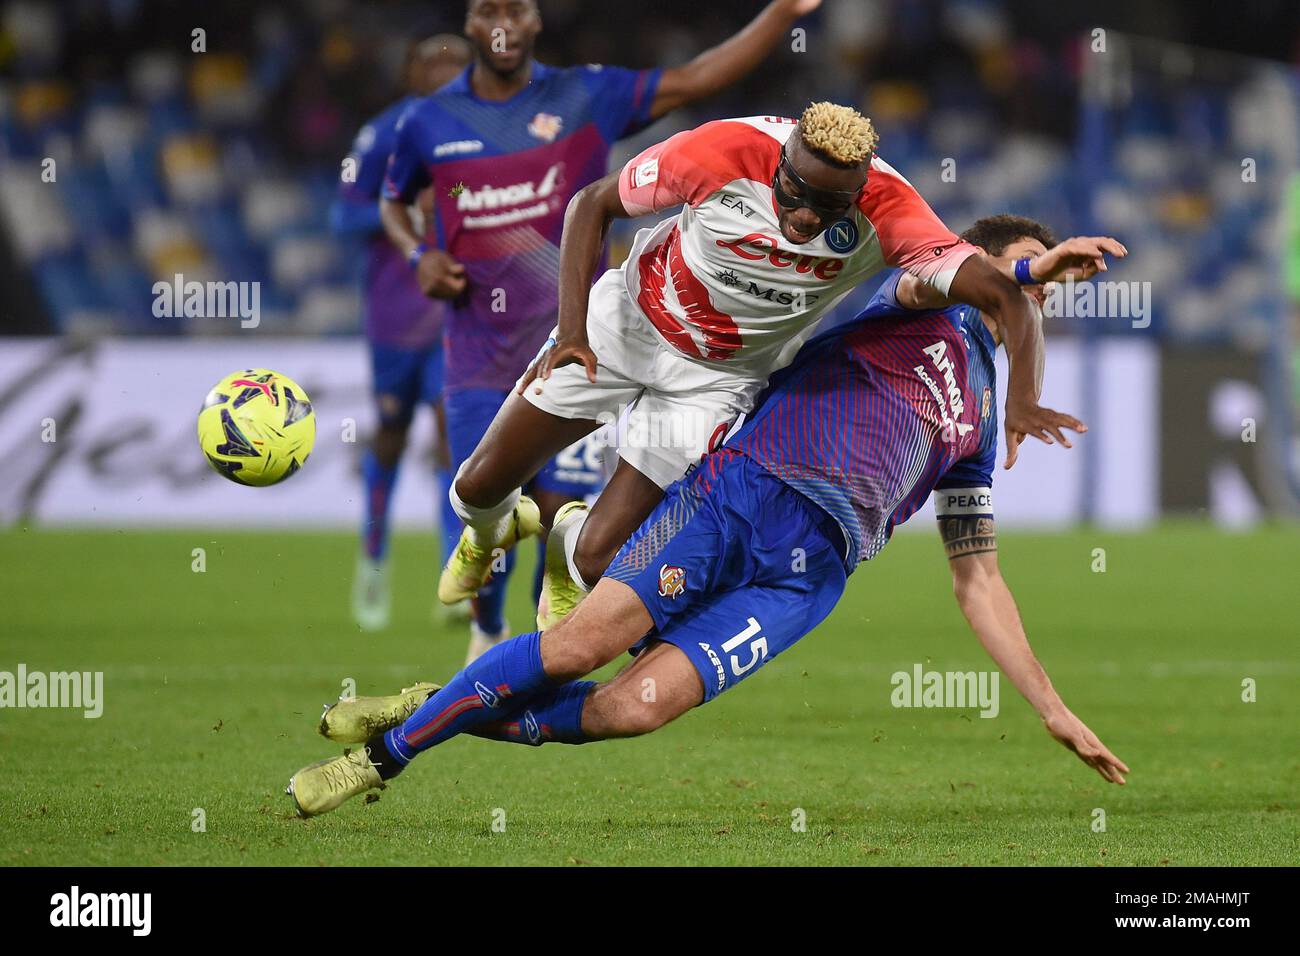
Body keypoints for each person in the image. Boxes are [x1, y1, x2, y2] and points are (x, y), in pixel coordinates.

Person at [287, 215, 1130, 817]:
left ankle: (442, 704)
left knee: (633, 709)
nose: (1045, 281)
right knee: (584, 645)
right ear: (980, 263)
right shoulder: (917, 302)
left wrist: (1051, 707)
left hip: (812, 578)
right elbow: (950, 273)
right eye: (1030, 263)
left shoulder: (982, 422)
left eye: (1051, 273)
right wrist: (1029, 270)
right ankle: (378, 760)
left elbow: (977, 578)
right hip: (742, 491)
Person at [441, 102, 1082, 635]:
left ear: (859, 194)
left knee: (594, 562)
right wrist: (573, 331)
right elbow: (591, 204)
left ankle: (564, 541)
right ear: (780, 164)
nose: (805, 220)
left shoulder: (892, 212)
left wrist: (1021, 398)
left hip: (714, 384)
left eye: (828, 211)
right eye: (796, 196)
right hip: (625, 324)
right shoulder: (717, 152)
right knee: (477, 485)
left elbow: (1001, 296)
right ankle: (488, 531)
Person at [383, 0, 829, 661]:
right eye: (488, 10)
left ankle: (528, 646)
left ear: (538, 22)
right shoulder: (425, 120)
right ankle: (486, 607)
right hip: (478, 347)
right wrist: (420, 255)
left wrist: (780, 14)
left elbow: (697, 78)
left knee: (568, 507)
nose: (504, 23)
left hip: (589, 335)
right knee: (477, 488)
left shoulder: (588, 92)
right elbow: (393, 200)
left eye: (518, 9)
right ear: (469, 25)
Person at [331, 35, 472, 631]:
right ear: (410, 73)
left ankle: (454, 582)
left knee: (450, 436)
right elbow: (343, 214)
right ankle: (373, 558)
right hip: (393, 316)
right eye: (432, 63)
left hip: (456, 311)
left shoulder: (484, 134)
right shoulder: (382, 134)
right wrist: (410, 215)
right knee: (389, 434)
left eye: (456, 64)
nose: (444, 73)